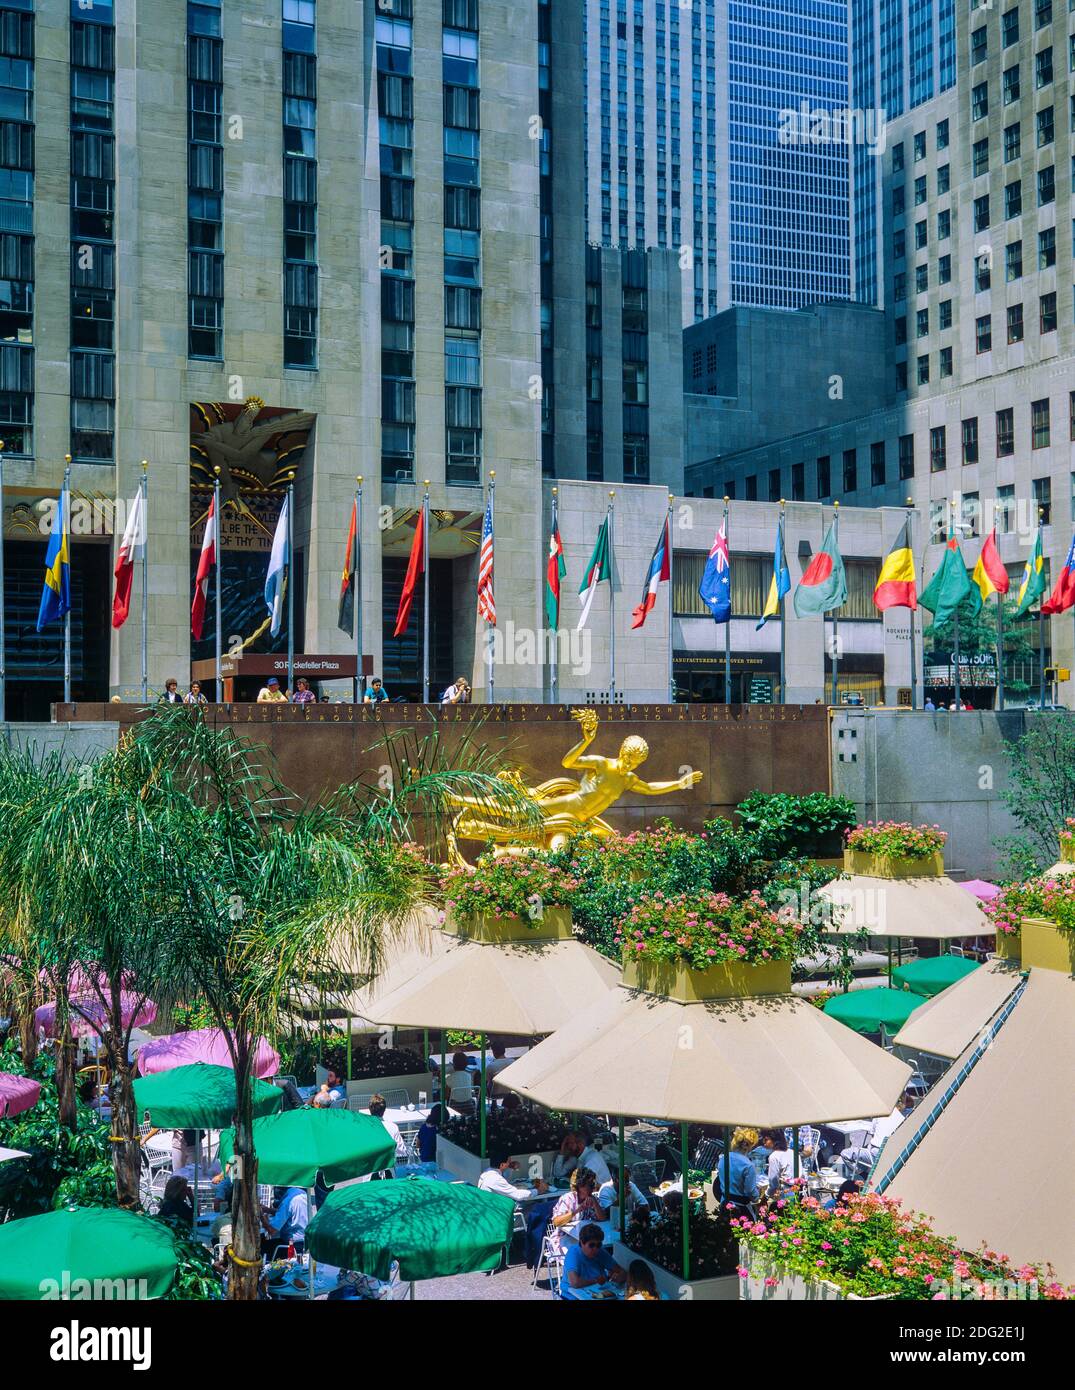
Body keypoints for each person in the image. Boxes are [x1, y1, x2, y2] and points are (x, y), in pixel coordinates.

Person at [550, 1167, 606, 1252]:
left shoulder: (593, 1199)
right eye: (589, 1184)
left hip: (585, 1239)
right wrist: (577, 1210)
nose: (592, 1187)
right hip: (563, 1238)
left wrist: (595, 1203)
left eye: (593, 1184)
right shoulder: (567, 1199)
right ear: (580, 1186)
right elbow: (556, 1222)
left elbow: (602, 1218)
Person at [562, 1224, 625, 1293]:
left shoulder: (600, 1251)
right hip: (572, 1295)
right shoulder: (573, 1253)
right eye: (591, 1245)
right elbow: (575, 1283)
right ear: (581, 1243)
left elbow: (621, 1271)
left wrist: (619, 1277)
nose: (595, 1249)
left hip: (595, 1292)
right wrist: (596, 1281)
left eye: (598, 1245)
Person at [714, 1127, 761, 1211]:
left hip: (724, 1203)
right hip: (741, 1208)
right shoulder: (748, 1165)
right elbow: (750, 1192)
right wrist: (758, 1195)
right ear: (749, 1146)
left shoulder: (723, 1158)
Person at [477, 1149, 547, 1200]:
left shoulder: (487, 1172)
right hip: (497, 1212)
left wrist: (510, 1168)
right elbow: (518, 1196)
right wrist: (538, 1191)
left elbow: (503, 1182)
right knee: (533, 1206)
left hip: (490, 1205)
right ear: (502, 1164)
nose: (510, 1163)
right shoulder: (495, 1179)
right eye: (509, 1162)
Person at [261, 1185, 309, 1255]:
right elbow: (287, 1212)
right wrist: (268, 1210)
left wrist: (262, 1217)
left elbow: (272, 1230)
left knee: (262, 1247)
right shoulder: (301, 1193)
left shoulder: (287, 1202)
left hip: (292, 1246)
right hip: (306, 1242)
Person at [368, 1093, 407, 1162]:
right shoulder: (393, 1127)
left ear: (370, 1109)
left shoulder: (364, 1128)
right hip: (388, 1167)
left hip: (370, 1167)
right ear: (384, 1109)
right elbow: (402, 1152)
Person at [761, 1128, 794, 1198]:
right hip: (798, 1190)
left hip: (786, 1193)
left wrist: (766, 1196)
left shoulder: (774, 1156)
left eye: (766, 1139)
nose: (763, 1141)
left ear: (774, 1140)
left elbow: (773, 1183)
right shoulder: (792, 1152)